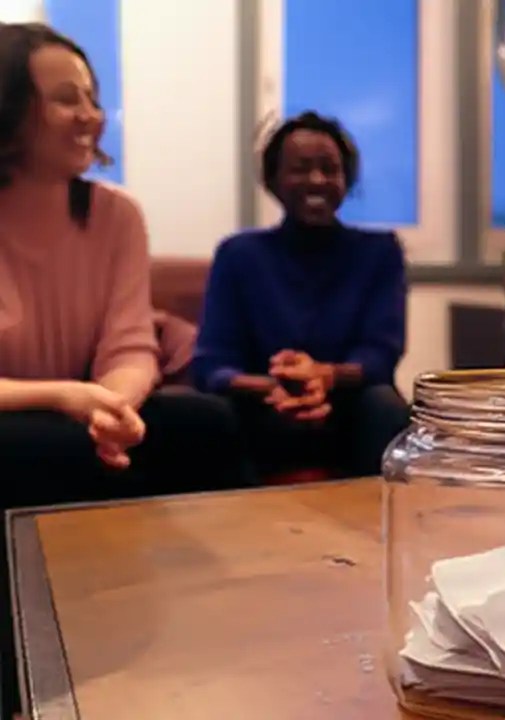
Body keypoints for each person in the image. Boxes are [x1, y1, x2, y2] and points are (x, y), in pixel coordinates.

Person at [0, 23, 246, 715]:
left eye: (92, 96)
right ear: (9, 110)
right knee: (31, 446)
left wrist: (115, 407)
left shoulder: (115, 216)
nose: (90, 115)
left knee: (207, 422)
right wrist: (68, 398)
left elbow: (131, 345)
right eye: (64, 99)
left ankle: (221, 640)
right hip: (21, 423)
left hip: (87, 421)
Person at [191, 111, 410, 479]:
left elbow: (380, 354)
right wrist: (278, 387)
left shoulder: (379, 251)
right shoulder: (238, 254)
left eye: (330, 169)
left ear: (347, 179)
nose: (317, 180)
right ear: (273, 180)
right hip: (261, 408)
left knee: (385, 404)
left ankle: (378, 529)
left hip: (347, 409)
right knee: (205, 415)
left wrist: (323, 376)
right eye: (300, 168)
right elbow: (212, 363)